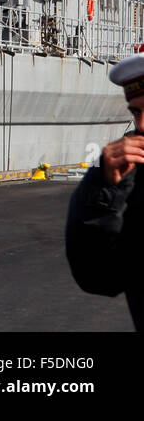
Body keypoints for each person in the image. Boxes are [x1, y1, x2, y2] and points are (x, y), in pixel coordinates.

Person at [66, 53, 144, 329]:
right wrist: (103, 191)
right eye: (136, 112)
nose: (142, 125)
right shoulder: (128, 177)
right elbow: (100, 279)